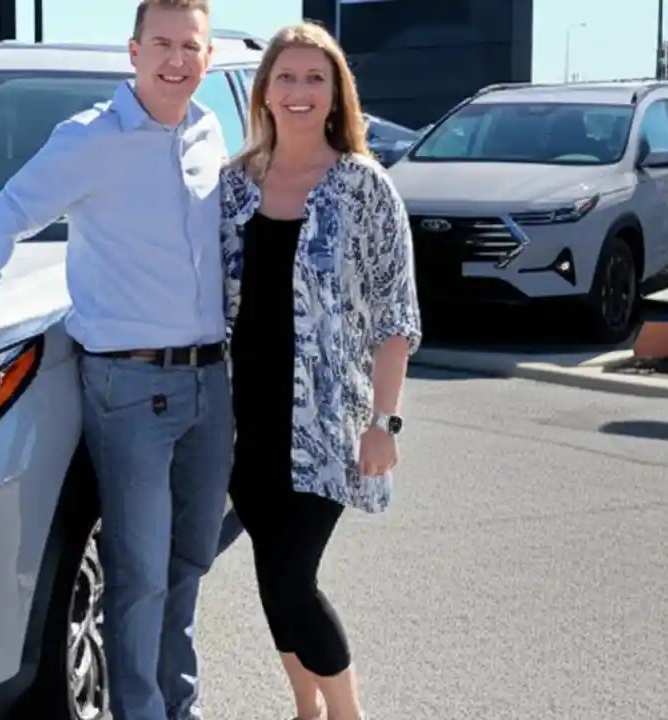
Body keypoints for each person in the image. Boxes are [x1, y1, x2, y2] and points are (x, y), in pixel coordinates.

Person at [0, 2, 233, 718]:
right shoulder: (89, 139)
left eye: (191, 46)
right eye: (163, 44)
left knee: (189, 563)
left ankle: (180, 706)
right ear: (134, 51)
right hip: (131, 387)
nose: (177, 60)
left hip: (213, 382)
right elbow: (6, 213)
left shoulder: (209, 133)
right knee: (139, 573)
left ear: (207, 58)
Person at [216, 22, 422, 720]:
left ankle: (346, 713)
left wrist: (383, 421)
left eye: (315, 79)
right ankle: (306, 708)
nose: (299, 92)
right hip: (246, 423)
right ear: (264, 93)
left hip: (327, 423)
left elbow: (396, 313)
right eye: (287, 78)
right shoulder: (234, 186)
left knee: (293, 578)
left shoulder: (364, 187)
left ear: (336, 94)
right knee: (272, 578)